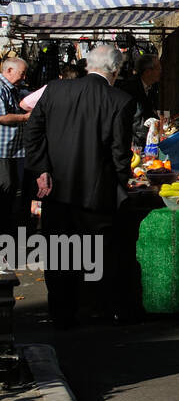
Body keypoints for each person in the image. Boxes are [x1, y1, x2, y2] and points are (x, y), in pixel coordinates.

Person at [25, 45, 136, 327]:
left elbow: (33, 131)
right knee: (96, 250)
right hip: (96, 191)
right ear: (115, 70)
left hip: (57, 188)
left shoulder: (55, 90)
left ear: (88, 65)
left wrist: (41, 170)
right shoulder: (119, 100)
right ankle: (93, 307)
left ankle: (62, 311)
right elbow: (119, 152)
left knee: (59, 249)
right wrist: (123, 180)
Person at [0, 57, 31, 243]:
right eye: (22, 73)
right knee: (5, 189)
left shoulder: (11, 89)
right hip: (2, 151)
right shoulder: (1, 88)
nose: (24, 77)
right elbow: (2, 117)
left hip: (13, 151)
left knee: (11, 190)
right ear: (9, 70)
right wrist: (25, 118)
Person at [118, 54, 163, 148]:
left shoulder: (152, 87)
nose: (160, 71)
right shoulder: (131, 88)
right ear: (147, 72)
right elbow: (135, 120)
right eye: (158, 68)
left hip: (146, 136)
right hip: (133, 141)